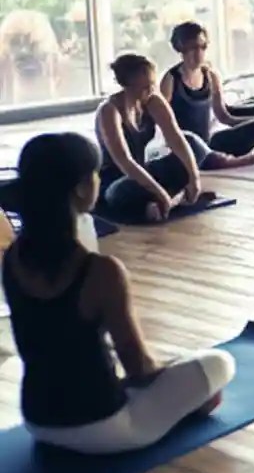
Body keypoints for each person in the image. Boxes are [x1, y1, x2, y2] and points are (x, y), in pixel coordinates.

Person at [3, 132, 234, 454]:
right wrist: (172, 369)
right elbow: (139, 368)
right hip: (104, 428)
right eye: (95, 175)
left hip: (38, 421)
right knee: (218, 365)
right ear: (83, 189)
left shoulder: (12, 259)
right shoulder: (101, 271)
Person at [96, 54, 219, 224]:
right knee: (117, 194)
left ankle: (162, 203)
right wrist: (158, 191)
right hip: (117, 179)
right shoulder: (109, 111)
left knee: (192, 143)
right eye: (144, 87)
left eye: (152, 84)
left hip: (144, 171)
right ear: (127, 86)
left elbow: (176, 139)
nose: (151, 90)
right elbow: (124, 161)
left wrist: (194, 177)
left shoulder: (152, 99)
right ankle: (173, 198)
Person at [160, 21, 254, 163]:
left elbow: (224, 117)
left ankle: (216, 158)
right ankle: (228, 161)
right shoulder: (171, 79)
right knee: (190, 140)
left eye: (203, 47)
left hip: (209, 143)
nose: (199, 53)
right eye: (193, 48)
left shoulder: (211, 76)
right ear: (181, 47)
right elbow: (163, 122)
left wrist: (252, 122)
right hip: (185, 145)